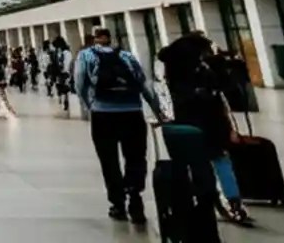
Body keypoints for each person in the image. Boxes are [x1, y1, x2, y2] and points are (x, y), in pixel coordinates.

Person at [74, 27, 167, 224]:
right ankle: (135, 196)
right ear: (109, 38)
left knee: (109, 161)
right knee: (135, 157)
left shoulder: (86, 55)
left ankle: (117, 203)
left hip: (103, 115)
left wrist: (89, 105)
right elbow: (144, 84)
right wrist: (157, 110)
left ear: (94, 39)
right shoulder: (126, 55)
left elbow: (80, 82)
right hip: (132, 113)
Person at [159, 34, 253, 225]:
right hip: (213, 121)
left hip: (186, 124)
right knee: (221, 160)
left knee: (197, 165)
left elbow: (170, 98)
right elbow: (225, 94)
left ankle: (207, 200)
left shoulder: (173, 68)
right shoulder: (207, 68)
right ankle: (233, 202)